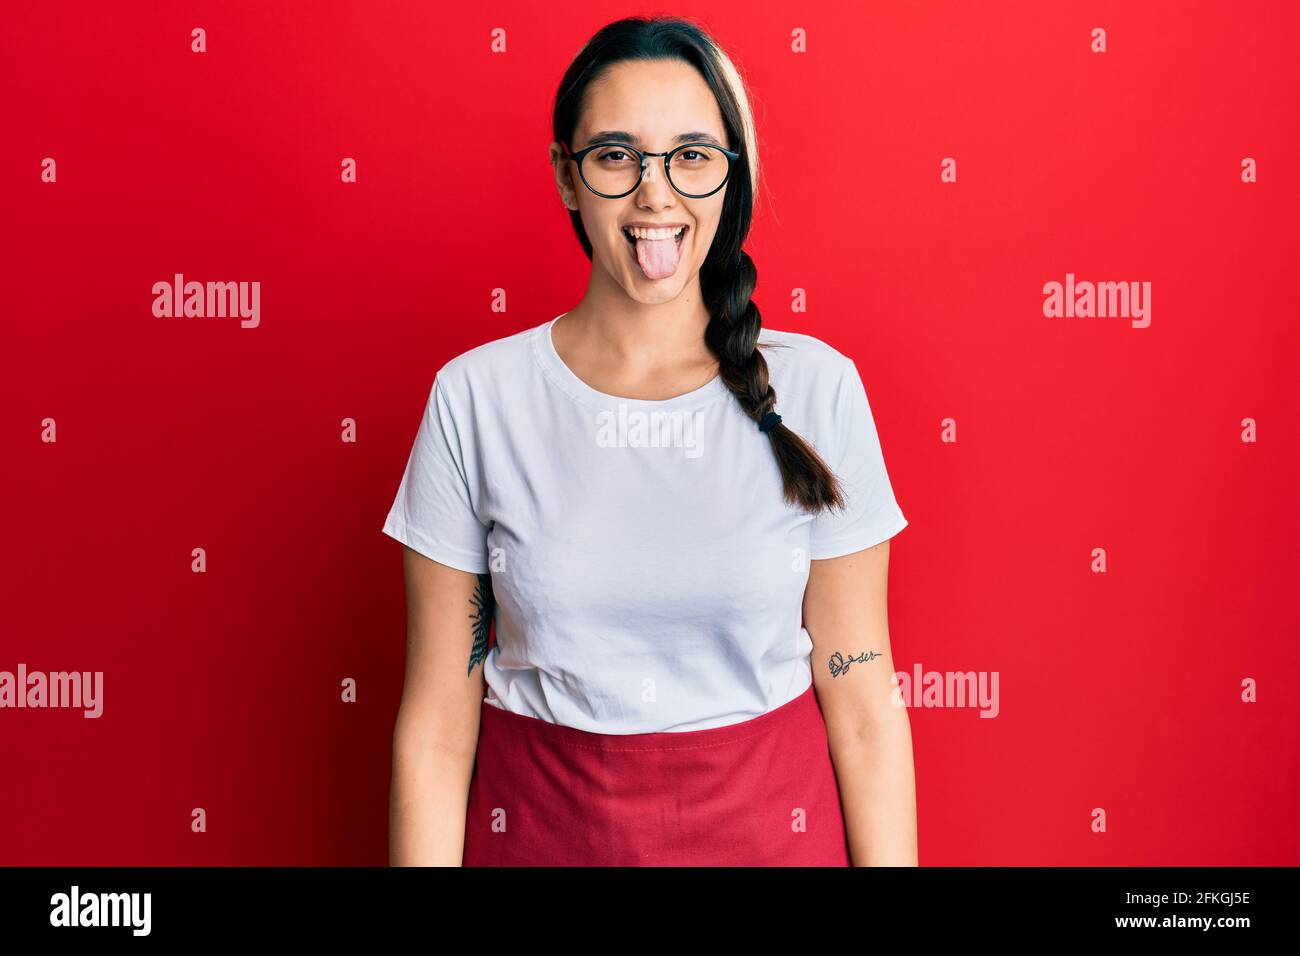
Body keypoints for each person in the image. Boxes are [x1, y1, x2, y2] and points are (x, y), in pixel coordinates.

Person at [385, 15, 917, 866]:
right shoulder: (473, 400)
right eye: (616, 156)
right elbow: (439, 729)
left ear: (728, 176)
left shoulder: (820, 390)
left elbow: (861, 702)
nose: (655, 196)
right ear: (568, 175)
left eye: (692, 156)